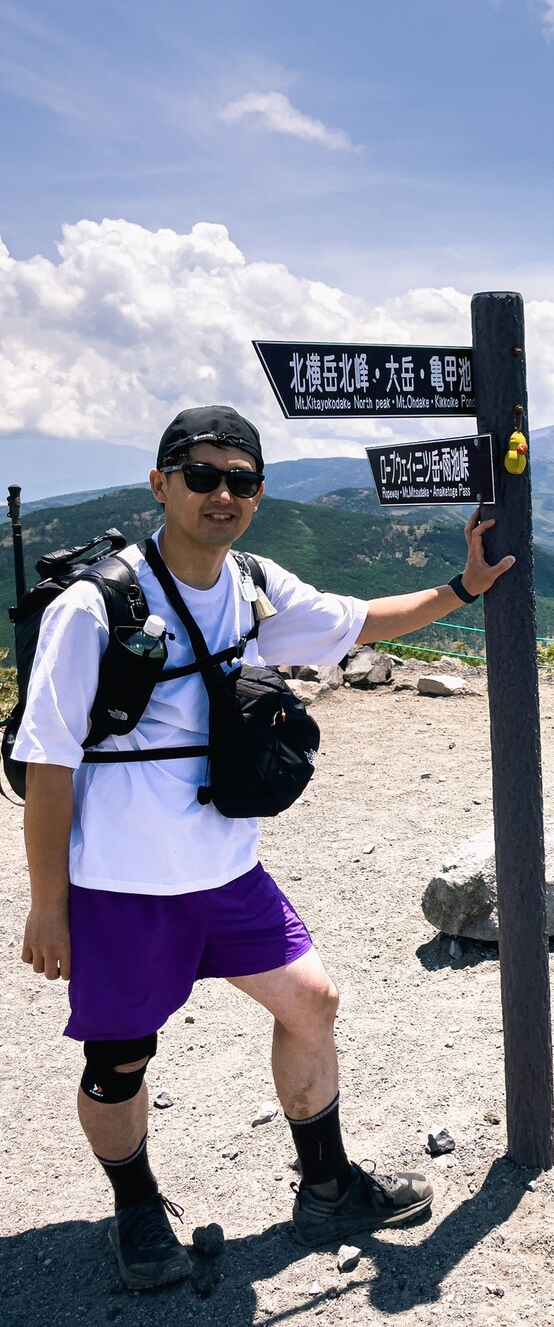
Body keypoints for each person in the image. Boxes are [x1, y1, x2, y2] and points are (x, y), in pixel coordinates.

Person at [15, 404, 514, 1291]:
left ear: (257, 494)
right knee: (120, 1060)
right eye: (202, 476)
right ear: (160, 483)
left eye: (241, 480)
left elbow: (362, 621)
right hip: (121, 882)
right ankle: (137, 1211)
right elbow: (48, 761)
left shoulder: (252, 584)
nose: (223, 494)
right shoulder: (96, 606)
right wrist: (48, 905)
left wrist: (463, 588)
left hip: (227, 870)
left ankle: (326, 1188)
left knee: (311, 1001)